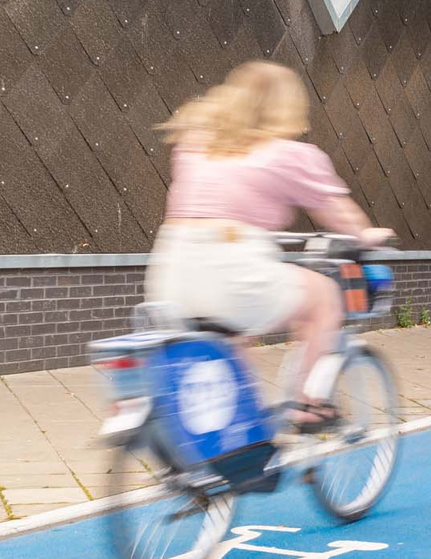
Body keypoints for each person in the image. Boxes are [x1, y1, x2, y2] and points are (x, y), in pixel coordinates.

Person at [146, 61, 394, 426]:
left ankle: (244, 433)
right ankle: (307, 403)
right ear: (285, 107)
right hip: (234, 272)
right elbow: (337, 213)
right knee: (324, 296)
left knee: (233, 336)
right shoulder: (290, 155)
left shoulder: (195, 144)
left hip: (171, 274)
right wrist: (367, 235)